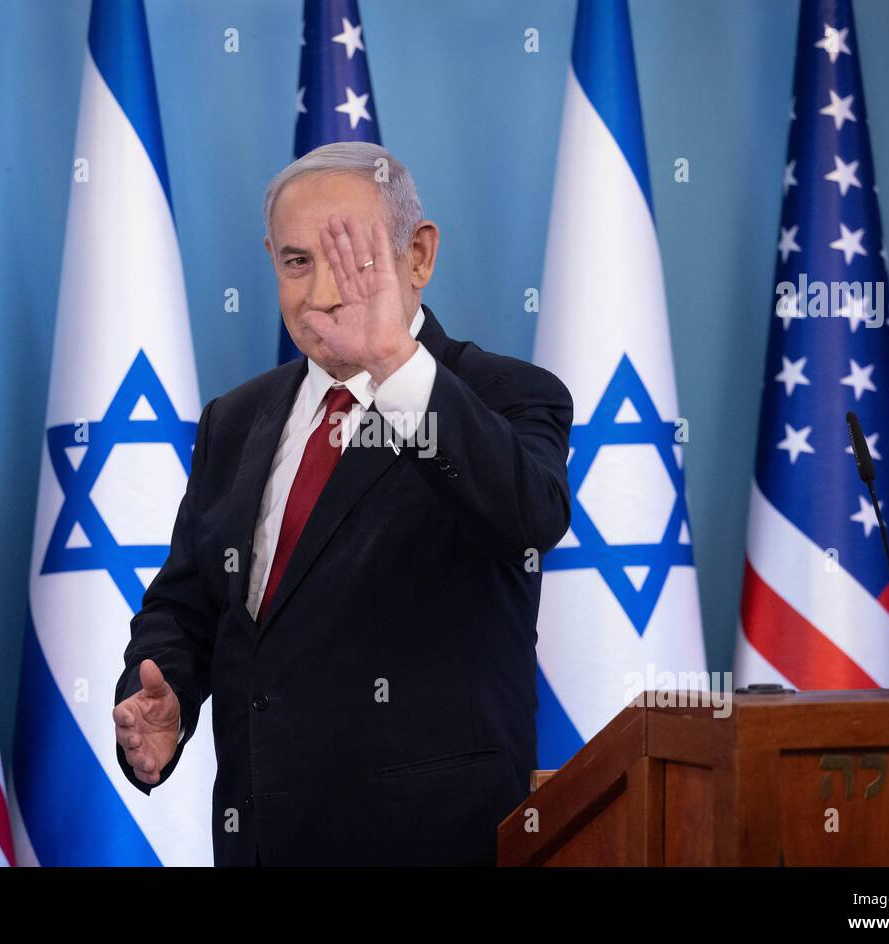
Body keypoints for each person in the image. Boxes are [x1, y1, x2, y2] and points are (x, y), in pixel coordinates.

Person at [112, 141, 572, 865]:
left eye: (354, 260)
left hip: (430, 844)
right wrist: (163, 689)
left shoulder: (505, 394)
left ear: (418, 256)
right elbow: (189, 603)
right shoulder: (234, 420)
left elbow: (531, 516)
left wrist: (392, 358)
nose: (324, 290)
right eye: (298, 261)